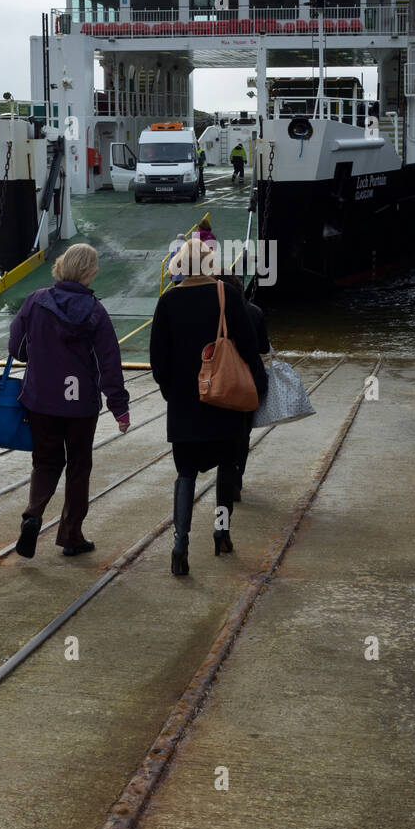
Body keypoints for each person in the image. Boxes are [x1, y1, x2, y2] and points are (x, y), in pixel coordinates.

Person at [150, 238, 266, 577]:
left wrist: (172, 392)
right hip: (224, 400)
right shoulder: (226, 295)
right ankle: (221, 532)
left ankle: (180, 544)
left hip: (185, 404)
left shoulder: (168, 301)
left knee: (185, 474)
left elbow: (158, 360)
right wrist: (257, 388)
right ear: (210, 264)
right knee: (227, 468)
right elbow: (247, 346)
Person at [8, 243, 130, 560]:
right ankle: (71, 536)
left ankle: (33, 516)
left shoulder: (35, 302)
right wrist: (120, 407)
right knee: (78, 467)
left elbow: (17, 348)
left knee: (46, 462)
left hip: (41, 400)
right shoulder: (95, 312)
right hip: (80, 405)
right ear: (89, 272)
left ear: (61, 266)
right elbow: (109, 363)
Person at [220, 271, 270, 501]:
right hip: (250, 381)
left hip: (222, 380)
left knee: (223, 433)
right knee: (244, 433)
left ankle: (225, 475)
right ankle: (236, 478)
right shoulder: (255, 311)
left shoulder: (215, 312)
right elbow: (263, 348)